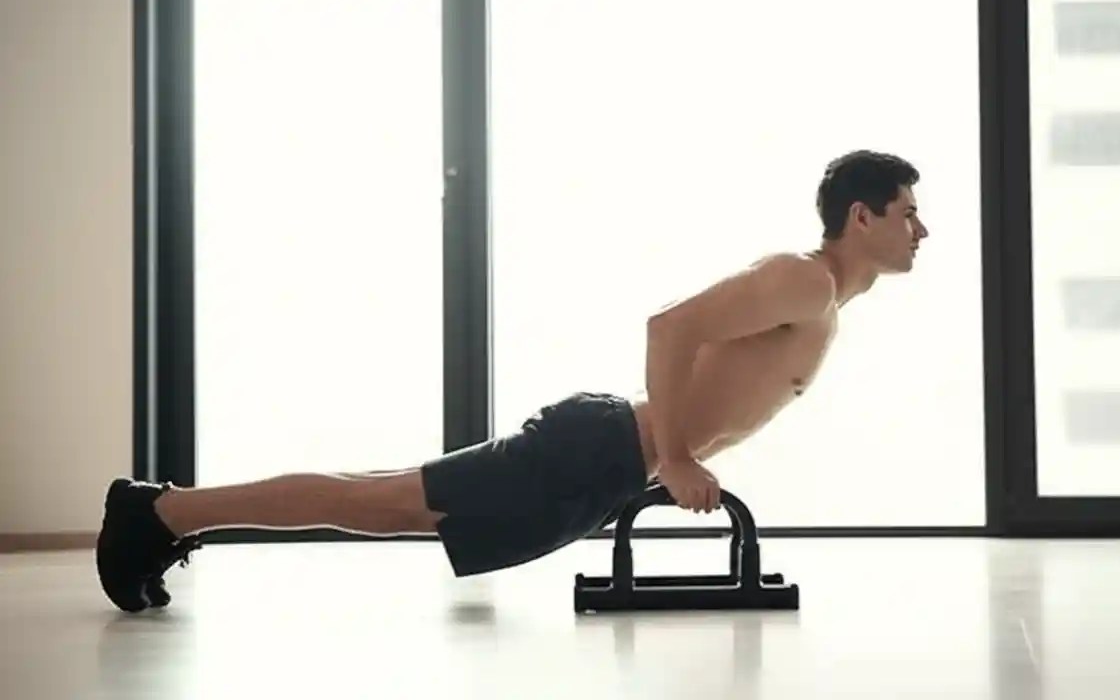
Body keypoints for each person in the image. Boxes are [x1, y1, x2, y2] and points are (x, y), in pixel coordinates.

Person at [95, 149, 929, 612]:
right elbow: (670, 327)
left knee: (383, 505)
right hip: (600, 448)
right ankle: (160, 511)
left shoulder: (824, 301)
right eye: (907, 212)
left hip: (603, 464)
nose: (920, 230)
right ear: (861, 216)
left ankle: (165, 514)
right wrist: (673, 457)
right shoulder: (805, 280)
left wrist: (665, 457)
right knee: (377, 503)